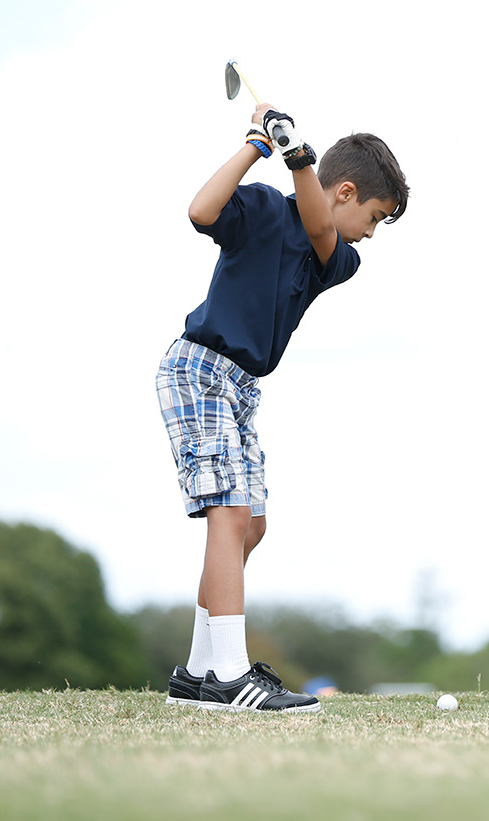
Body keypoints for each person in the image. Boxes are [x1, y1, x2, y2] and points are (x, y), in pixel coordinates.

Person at [156, 103, 408, 712]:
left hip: (242, 387)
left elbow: (322, 230)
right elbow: (200, 211)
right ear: (346, 191)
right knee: (230, 515)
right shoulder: (264, 206)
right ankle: (228, 676)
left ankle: (196, 672)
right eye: (374, 217)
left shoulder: (337, 256)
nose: (370, 232)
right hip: (200, 370)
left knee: (251, 527)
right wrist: (255, 146)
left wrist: (301, 160)